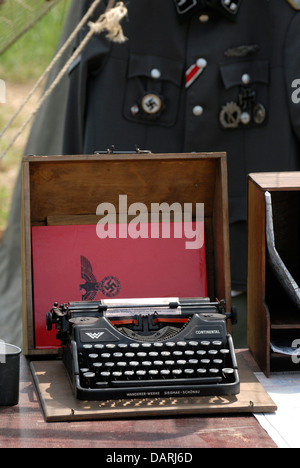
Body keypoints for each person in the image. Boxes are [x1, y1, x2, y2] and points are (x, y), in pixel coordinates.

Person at [1, 0, 300, 348]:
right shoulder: (111, 9)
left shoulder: (284, 11)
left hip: (244, 273)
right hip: (124, 266)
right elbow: (67, 139)